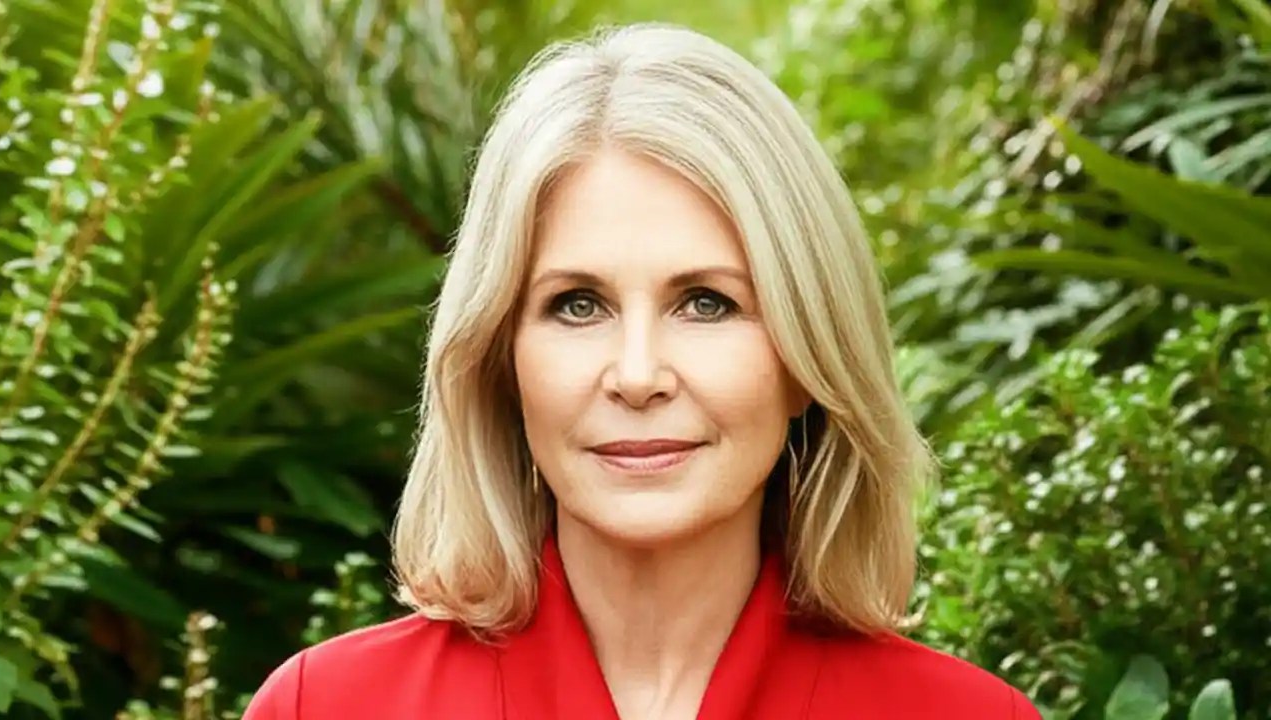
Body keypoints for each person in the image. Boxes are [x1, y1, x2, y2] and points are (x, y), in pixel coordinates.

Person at [243, 22, 1041, 720]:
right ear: (499, 360)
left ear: (808, 357)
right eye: (577, 305)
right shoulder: (325, 707)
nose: (636, 374)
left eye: (705, 303)